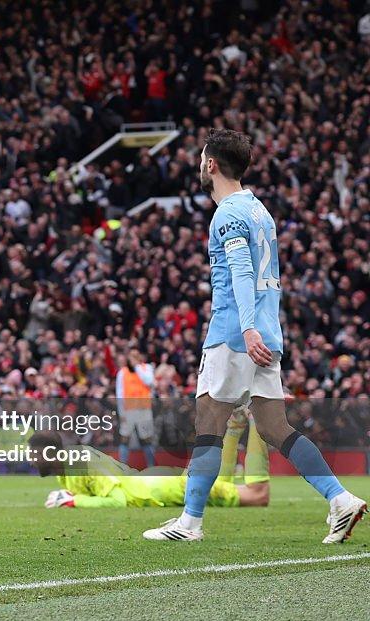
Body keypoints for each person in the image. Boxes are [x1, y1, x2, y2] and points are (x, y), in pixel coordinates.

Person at [143, 129, 365, 543]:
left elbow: (242, 273)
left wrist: (245, 328)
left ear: (211, 164)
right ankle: (339, 499)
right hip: (267, 334)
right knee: (274, 427)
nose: (198, 165)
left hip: (235, 334)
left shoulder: (226, 215)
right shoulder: (259, 210)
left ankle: (190, 523)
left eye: (200, 158)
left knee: (208, 419)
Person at [30, 433, 269, 509]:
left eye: (34, 454)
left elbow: (119, 500)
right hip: (151, 483)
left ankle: (260, 418)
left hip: (155, 487)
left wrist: (74, 501)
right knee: (214, 483)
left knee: (257, 495)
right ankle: (236, 423)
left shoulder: (82, 462)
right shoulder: (67, 469)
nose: (31, 460)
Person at [115, 349, 156, 468]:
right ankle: (122, 467)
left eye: (136, 356)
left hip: (144, 410)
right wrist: (121, 412)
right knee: (125, 438)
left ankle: (151, 466)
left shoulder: (146, 368)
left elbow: (148, 381)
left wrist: (137, 367)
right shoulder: (122, 372)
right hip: (129, 411)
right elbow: (120, 394)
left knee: (147, 438)